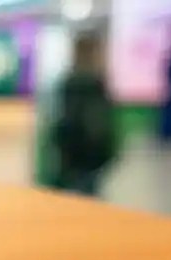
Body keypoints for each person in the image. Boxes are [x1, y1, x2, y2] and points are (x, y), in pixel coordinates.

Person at [50, 34, 117, 196]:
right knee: (86, 191)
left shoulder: (70, 81)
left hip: (74, 148)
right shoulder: (91, 84)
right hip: (87, 148)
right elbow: (96, 120)